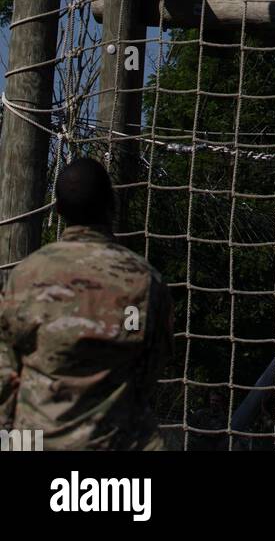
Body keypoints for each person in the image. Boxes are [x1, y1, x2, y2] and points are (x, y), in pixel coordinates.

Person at [0, 157, 173, 451]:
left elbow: (6, 369)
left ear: (58, 210)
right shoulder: (144, 280)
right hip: (118, 443)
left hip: (38, 439)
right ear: (111, 206)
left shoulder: (27, 276)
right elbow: (153, 364)